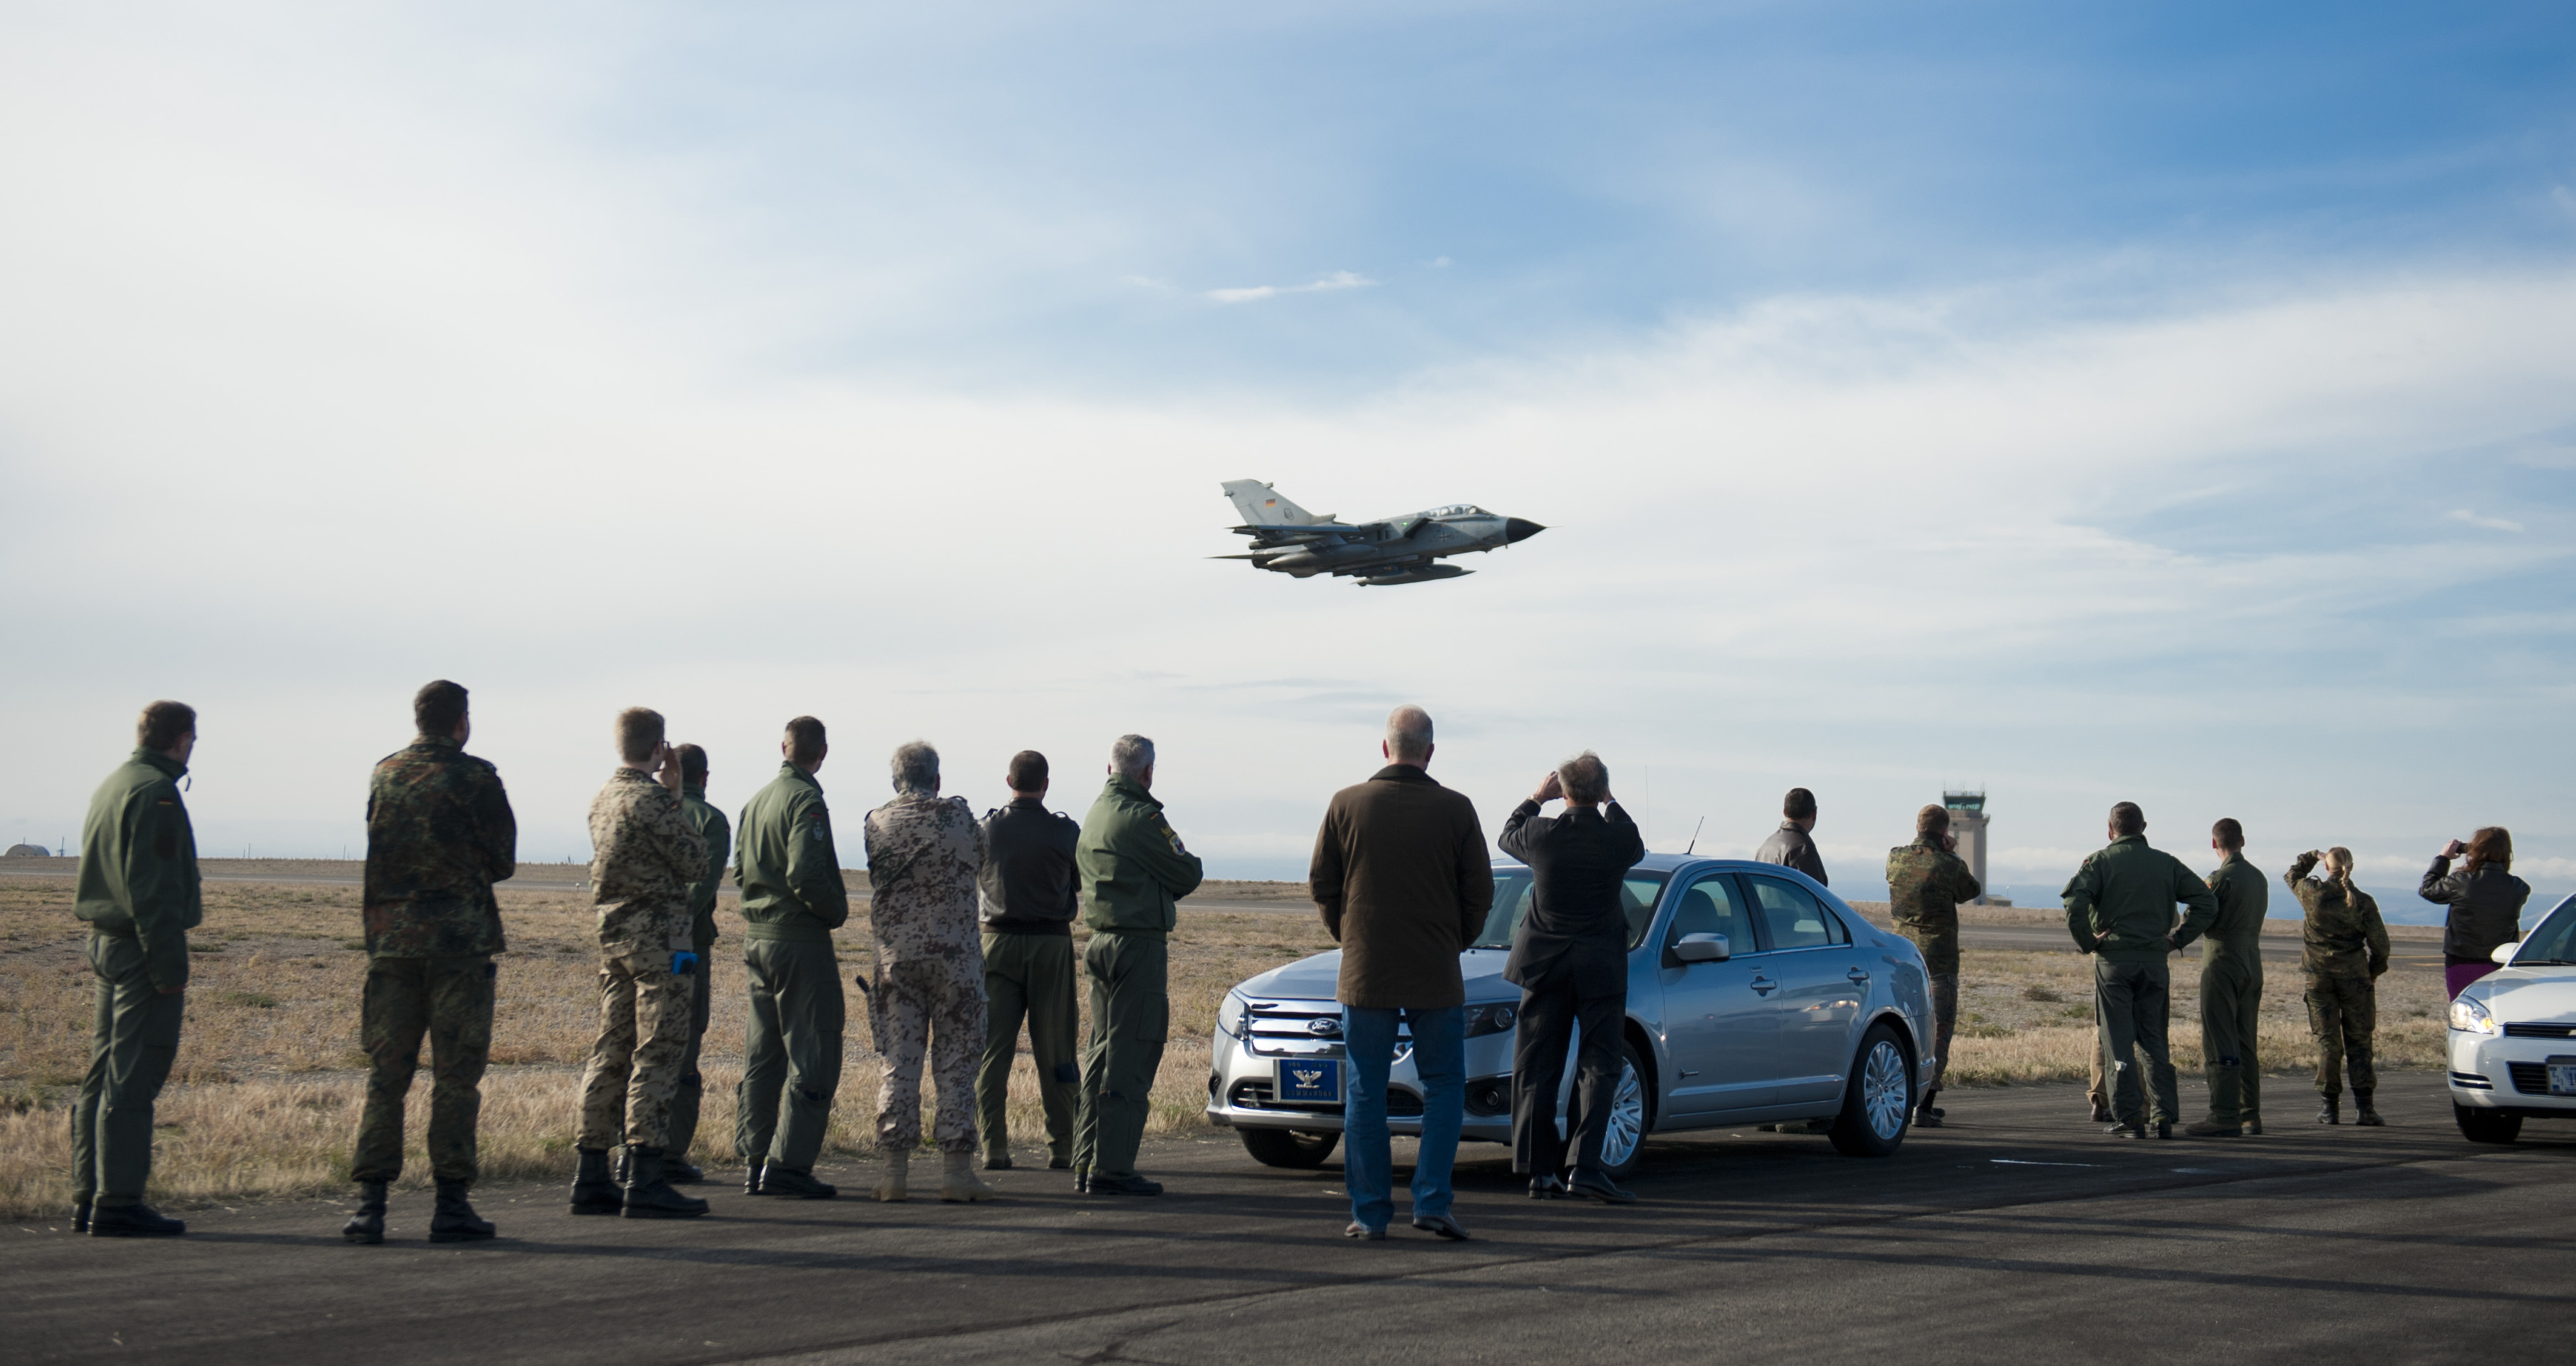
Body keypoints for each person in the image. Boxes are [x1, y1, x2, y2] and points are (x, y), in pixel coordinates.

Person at [1309, 706, 1493, 1241]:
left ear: (1384, 748)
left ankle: (1369, 1213)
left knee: (1366, 1089)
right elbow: (1479, 892)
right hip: (1435, 968)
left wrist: (1350, 936)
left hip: (1366, 969)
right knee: (1443, 1086)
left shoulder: (1346, 804)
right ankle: (1432, 1199)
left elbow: (1322, 882)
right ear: (1429, 752)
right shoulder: (1456, 809)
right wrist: (1453, 939)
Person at [344, 680, 516, 1244]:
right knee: (455, 1077)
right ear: (461, 722)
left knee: (386, 1076)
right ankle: (450, 1202)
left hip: (393, 943)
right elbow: (502, 859)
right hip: (457, 946)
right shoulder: (476, 778)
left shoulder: (385, 773)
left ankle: (370, 1205)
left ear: (418, 719)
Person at [569, 707, 710, 1219]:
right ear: (659, 749)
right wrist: (675, 797)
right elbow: (696, 860)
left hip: (615, 939)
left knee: (611, 1048)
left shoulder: (602, 799)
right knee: (658, 1049)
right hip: (660, 943)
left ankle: (591, 1169)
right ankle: (645, 1169)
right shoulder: (650, 801)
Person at [70, 701, 203, 1238]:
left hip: (107, 942)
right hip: (140, 951)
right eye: (192, 738)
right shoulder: (157, 794)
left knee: (102, 1071)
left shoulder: (115, 783)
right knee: (134, 1074)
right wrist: (169, 965)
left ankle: (89, 1194)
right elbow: (154, 890)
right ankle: (119, 1199)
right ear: (180, 739)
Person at [1498, 751, 1646, 1204]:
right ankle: (1585, 1167)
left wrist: (1533, 799)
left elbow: (1506, 836)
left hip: (1544, 963)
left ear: (1562, 792)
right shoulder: (1617, 839)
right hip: (1600, 964)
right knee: (1600, 1065)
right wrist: (1610, 802)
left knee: (1536, 1065)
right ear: (1601, 791)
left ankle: (1538, 1170)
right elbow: (1635, 841)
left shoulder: (1541, 834)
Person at [861, 741, 995, 1203]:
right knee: (956, 1064)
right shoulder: (959, 819)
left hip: (897, 962)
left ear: (895, 780)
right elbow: (981, 854)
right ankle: (956, 1171)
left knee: (899, 1062)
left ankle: (893, 1172)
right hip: (955, 961)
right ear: (937, 779)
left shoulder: (876, 821)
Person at [1072, 734, 1204, 1196]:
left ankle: (1086, 1157)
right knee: (1132, 1052)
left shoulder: (1095, 814)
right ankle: (1113, 1166)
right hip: (1137, 946)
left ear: (1109, 769)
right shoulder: (1141, 818)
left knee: (1100, 1051)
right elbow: (1187, 872)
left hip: (1101, 941)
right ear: (1147, 772)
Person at [733, 716, 850, 1200]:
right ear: (822, 753)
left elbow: (740, 869)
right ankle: (790, 1163)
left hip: (757, 936)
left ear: (783, 747)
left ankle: (756, 1156)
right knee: (813, 1052)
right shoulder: (806, 800)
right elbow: (806, 872)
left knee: (763, 1055)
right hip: (798, 940)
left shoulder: (756, 800)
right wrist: (834, 910)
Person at [2061, 802, 2216, 1140]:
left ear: (2110, 829)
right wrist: (2177, 939)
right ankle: (2162, 1116)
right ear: (2143, 827)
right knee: (2155, 1040)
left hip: (2114, 962)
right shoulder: (2165, 863)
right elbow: (2207, 902)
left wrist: (2089, 941)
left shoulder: (2100, 861)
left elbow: (2075, 901)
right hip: (2154, 961)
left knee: (2118, 1042)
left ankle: (2130, 1117)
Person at [976, 750, 1081, 1173]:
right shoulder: (1065, 831)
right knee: (1056, 1048)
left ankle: (993, 1148)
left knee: (991, 1051)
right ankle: (1061, 1146)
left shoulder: (985, 829)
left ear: (1008, 781)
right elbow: (1077, 881)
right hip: (1050, 945)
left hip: (995, 943)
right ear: (1046, 784)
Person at [1884, 804, 1980, 1127]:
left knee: (1902, 1026)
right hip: (1938, 960)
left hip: (1903, 957)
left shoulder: (1895, 858)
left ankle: (1897, 1096)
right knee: (1938, 1030)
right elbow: (1971, 890)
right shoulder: (1946, 864)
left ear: (1917, 826)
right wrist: (1952, 855)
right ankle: (1924, 1105)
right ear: (1943, 832)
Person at [665, 742, 731, 1182]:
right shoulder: (710, 821)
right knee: (684, 1047)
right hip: (687, 949)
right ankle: (668, 1153)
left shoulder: (653, 808)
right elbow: (700, 891)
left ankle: (631, 1145)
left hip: (640, 945)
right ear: (705, 777)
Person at [2288, 848, 2390, 1125]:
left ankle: (2329, 1108)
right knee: (2360, 1041)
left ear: (2327, 867)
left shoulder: (2313, 893)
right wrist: (2373, 972)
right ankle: (2365, 1108)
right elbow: (2381, 946)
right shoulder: (2363, 902)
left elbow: (2292, 876)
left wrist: (2312, 856)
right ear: (2352, 867)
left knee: (2328, 1043)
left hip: (2319, 979)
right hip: (2356, 979)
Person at [2181, 818, 2266, 1137]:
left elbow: (2199, 914)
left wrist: (2177, 940)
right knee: (2246, 1039)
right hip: (2252, 960)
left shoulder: (2219, 879)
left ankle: (2224, 1113)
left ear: (2214, 844)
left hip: (2222, 960)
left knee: (2220, 1037)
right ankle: (2250, 1112)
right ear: (2242, 841)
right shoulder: (2258, 878)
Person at [2421, 828, 2530, 999]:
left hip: (2461, 959)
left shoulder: (2460, 881)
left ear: (2475, 850)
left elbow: (2428, 889)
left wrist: (2443, 859)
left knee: (2464, 1007)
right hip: (2500, 961)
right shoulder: (2519, 888)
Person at [1754, 787, 1827, 886]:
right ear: (1814, 814)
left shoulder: (1766, 846)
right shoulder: (1803, 849)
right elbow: (1815, 895)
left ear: (1784, 812)